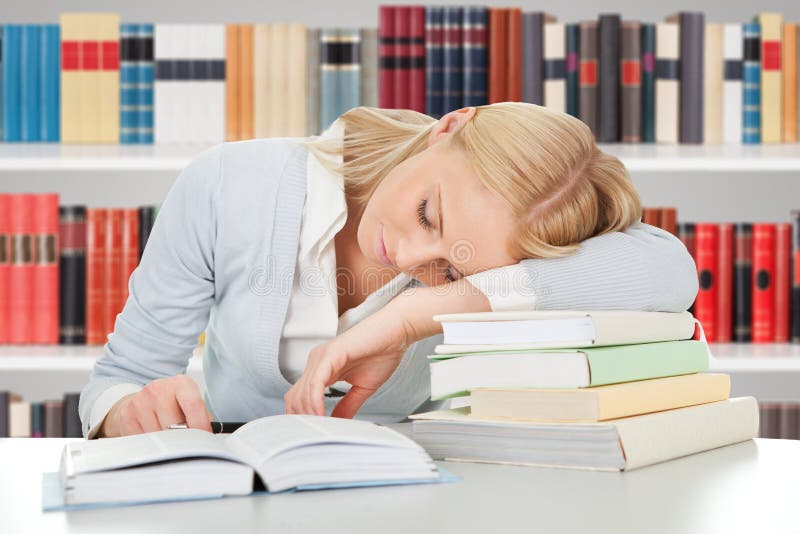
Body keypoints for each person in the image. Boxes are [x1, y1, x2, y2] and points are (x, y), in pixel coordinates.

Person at [80, 103, 698, 438]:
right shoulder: (230, 183)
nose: (407, 258)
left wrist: (413, 317)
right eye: (428, 213)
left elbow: (671, 271)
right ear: (448, 128)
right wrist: (124, 413)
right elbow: (122, 377)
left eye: (450, 270)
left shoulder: (507, 252)